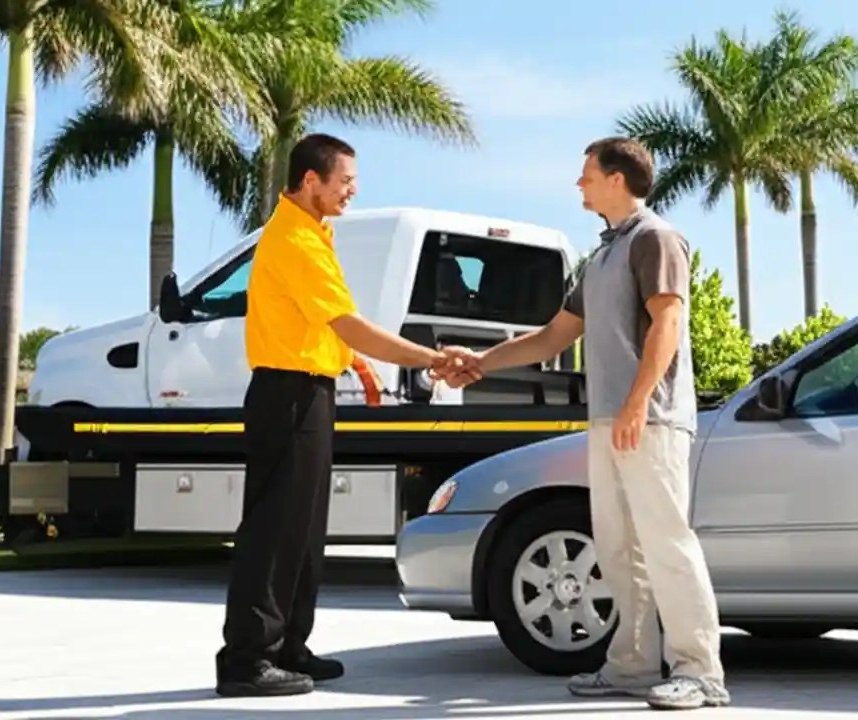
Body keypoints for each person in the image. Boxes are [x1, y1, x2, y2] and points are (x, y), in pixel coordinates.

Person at [438, 136, 729, 711]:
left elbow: (667, 322)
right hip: (610, 420)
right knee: (620, 549)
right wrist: (478, 363)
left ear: (617, 179)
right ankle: (632, 666)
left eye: (587, 174)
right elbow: (554, 336)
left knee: (668, 545)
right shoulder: (601, 256)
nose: (579, 184)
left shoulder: (657, 239)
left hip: (650, 418)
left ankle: (701, 672)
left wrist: (638, 401)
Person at [215, 133, 452, 697]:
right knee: (274, 528)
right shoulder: (295, 239)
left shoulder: (316, 234)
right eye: (343, 181)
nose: (353, 191)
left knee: (305, 527)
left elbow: (322, 326)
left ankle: (289, 645)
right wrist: (431, 359)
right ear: (309, 181)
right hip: (286, 395)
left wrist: (359, 367)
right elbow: (346, 321)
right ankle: (247, 659)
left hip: (309, 389)